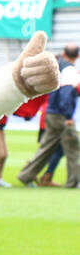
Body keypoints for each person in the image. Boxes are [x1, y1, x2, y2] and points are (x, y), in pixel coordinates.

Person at [18, 54, 79, 188]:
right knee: (73, 147)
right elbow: (66, 95)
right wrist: (68, 117)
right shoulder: (70, 71)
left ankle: (26, 175)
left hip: (51, 113)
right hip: (61, 115)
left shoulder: (60, 70)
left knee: (47, 148)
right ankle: (73, 181)